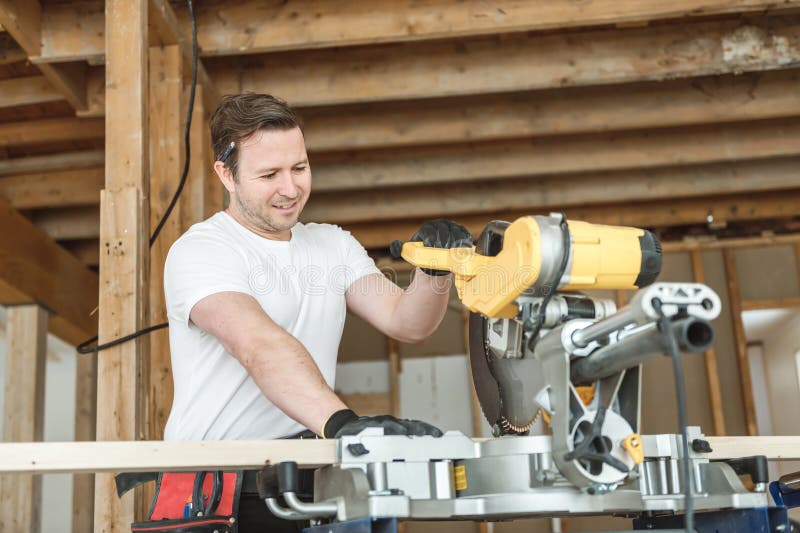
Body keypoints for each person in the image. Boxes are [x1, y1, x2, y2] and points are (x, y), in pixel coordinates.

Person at [161, 93, 472, 530]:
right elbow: (257, 345)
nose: (290, 189)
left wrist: (437, 270)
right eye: (269, 174)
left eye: (300, 168)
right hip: (218, 484)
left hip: (311, 472)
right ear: (226, 176)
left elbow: (407, 321)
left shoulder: (331, 245)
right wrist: (344, 424)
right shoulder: (202, 250)